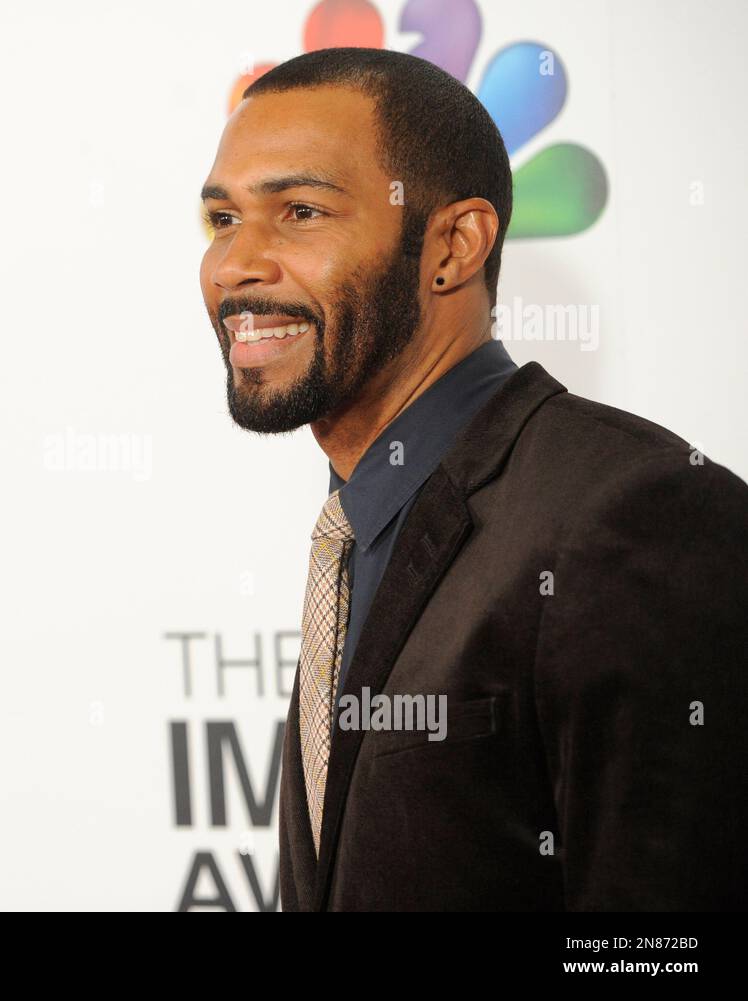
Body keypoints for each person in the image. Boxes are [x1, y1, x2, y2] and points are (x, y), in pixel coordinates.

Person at [198, 46, 748, 910]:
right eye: (223, 220)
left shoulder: (633, 513)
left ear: (454, 245)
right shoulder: (358, 523)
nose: (236, 265)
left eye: (299, 211)